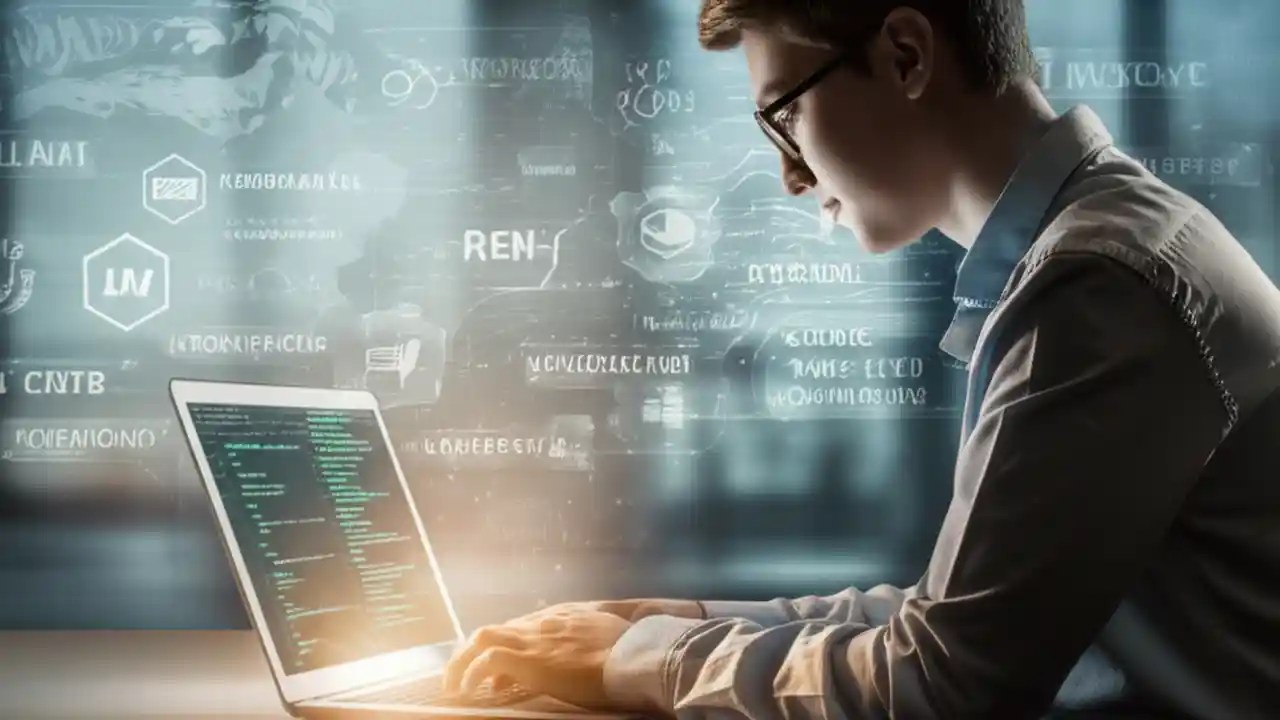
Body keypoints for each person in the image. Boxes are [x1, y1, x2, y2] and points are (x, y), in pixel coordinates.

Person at [443, 1, 1280, 717]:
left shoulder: (1093, 286)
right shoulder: (1098, 247)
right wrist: (676, 619)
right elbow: (958, 620)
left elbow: (946, 683)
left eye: (785, 115)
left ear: (905, 57)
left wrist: (642, 663)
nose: (789, 177)